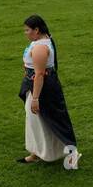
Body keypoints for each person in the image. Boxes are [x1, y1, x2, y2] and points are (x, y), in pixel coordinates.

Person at [17, 14, 80, 167]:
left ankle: (73, 155)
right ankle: (36, 153)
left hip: (42, 89)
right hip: (37, 86)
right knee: (36, 121)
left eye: (27, 30)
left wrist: (36, 98)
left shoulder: (40, 47)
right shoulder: (42, 40)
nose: (25, 33)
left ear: (36, 30)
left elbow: (39, 75)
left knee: (55, 120)